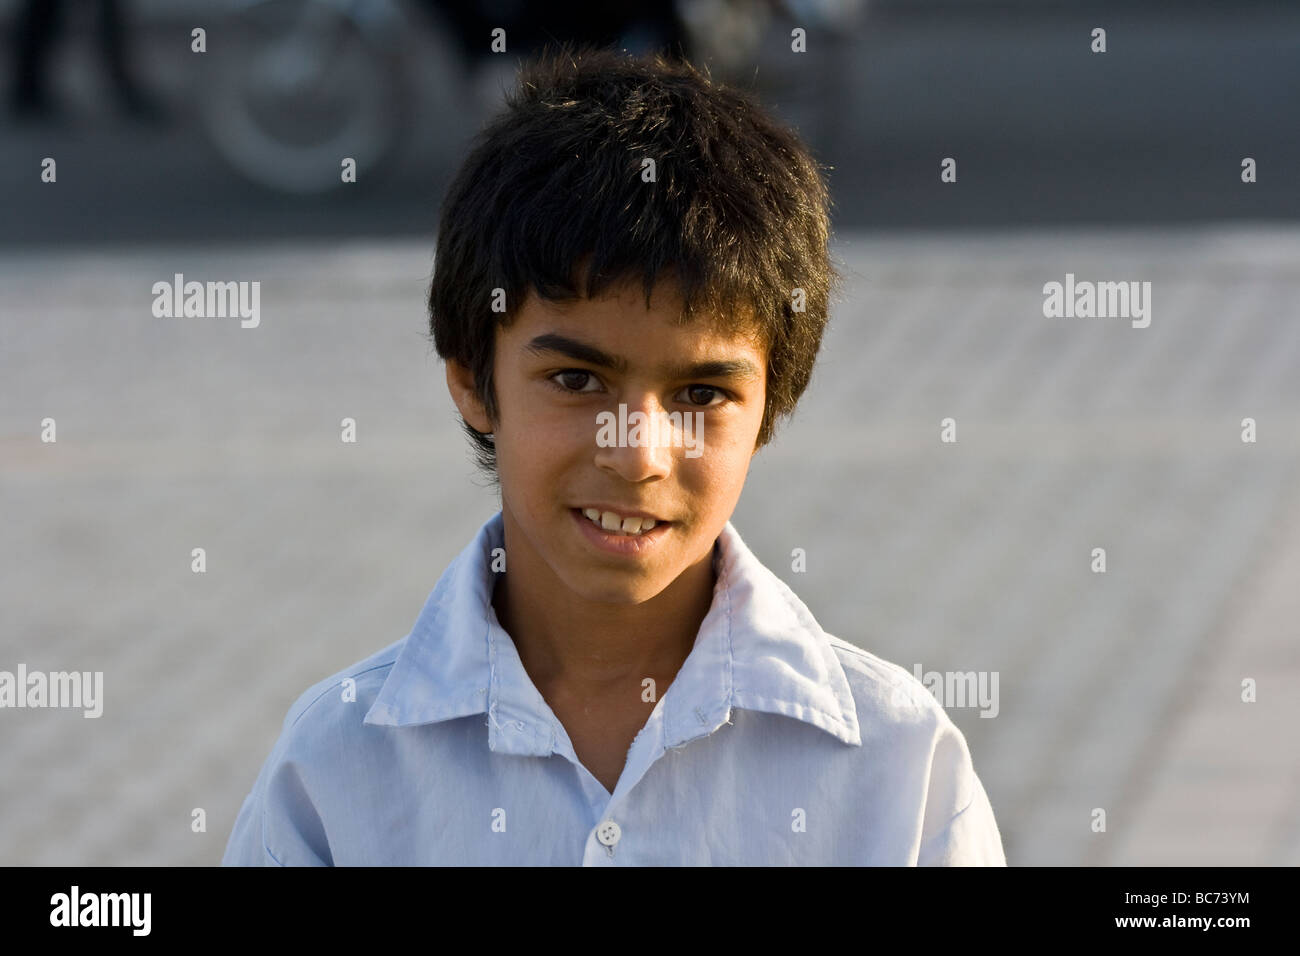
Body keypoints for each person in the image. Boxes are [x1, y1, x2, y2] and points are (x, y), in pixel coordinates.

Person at [222, 44, 1006, 866]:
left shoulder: (895, 766)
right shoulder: (340, 769)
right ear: (471, 380)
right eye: (576, 379)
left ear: (771, 407)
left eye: (702, 395)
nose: (636, 456)